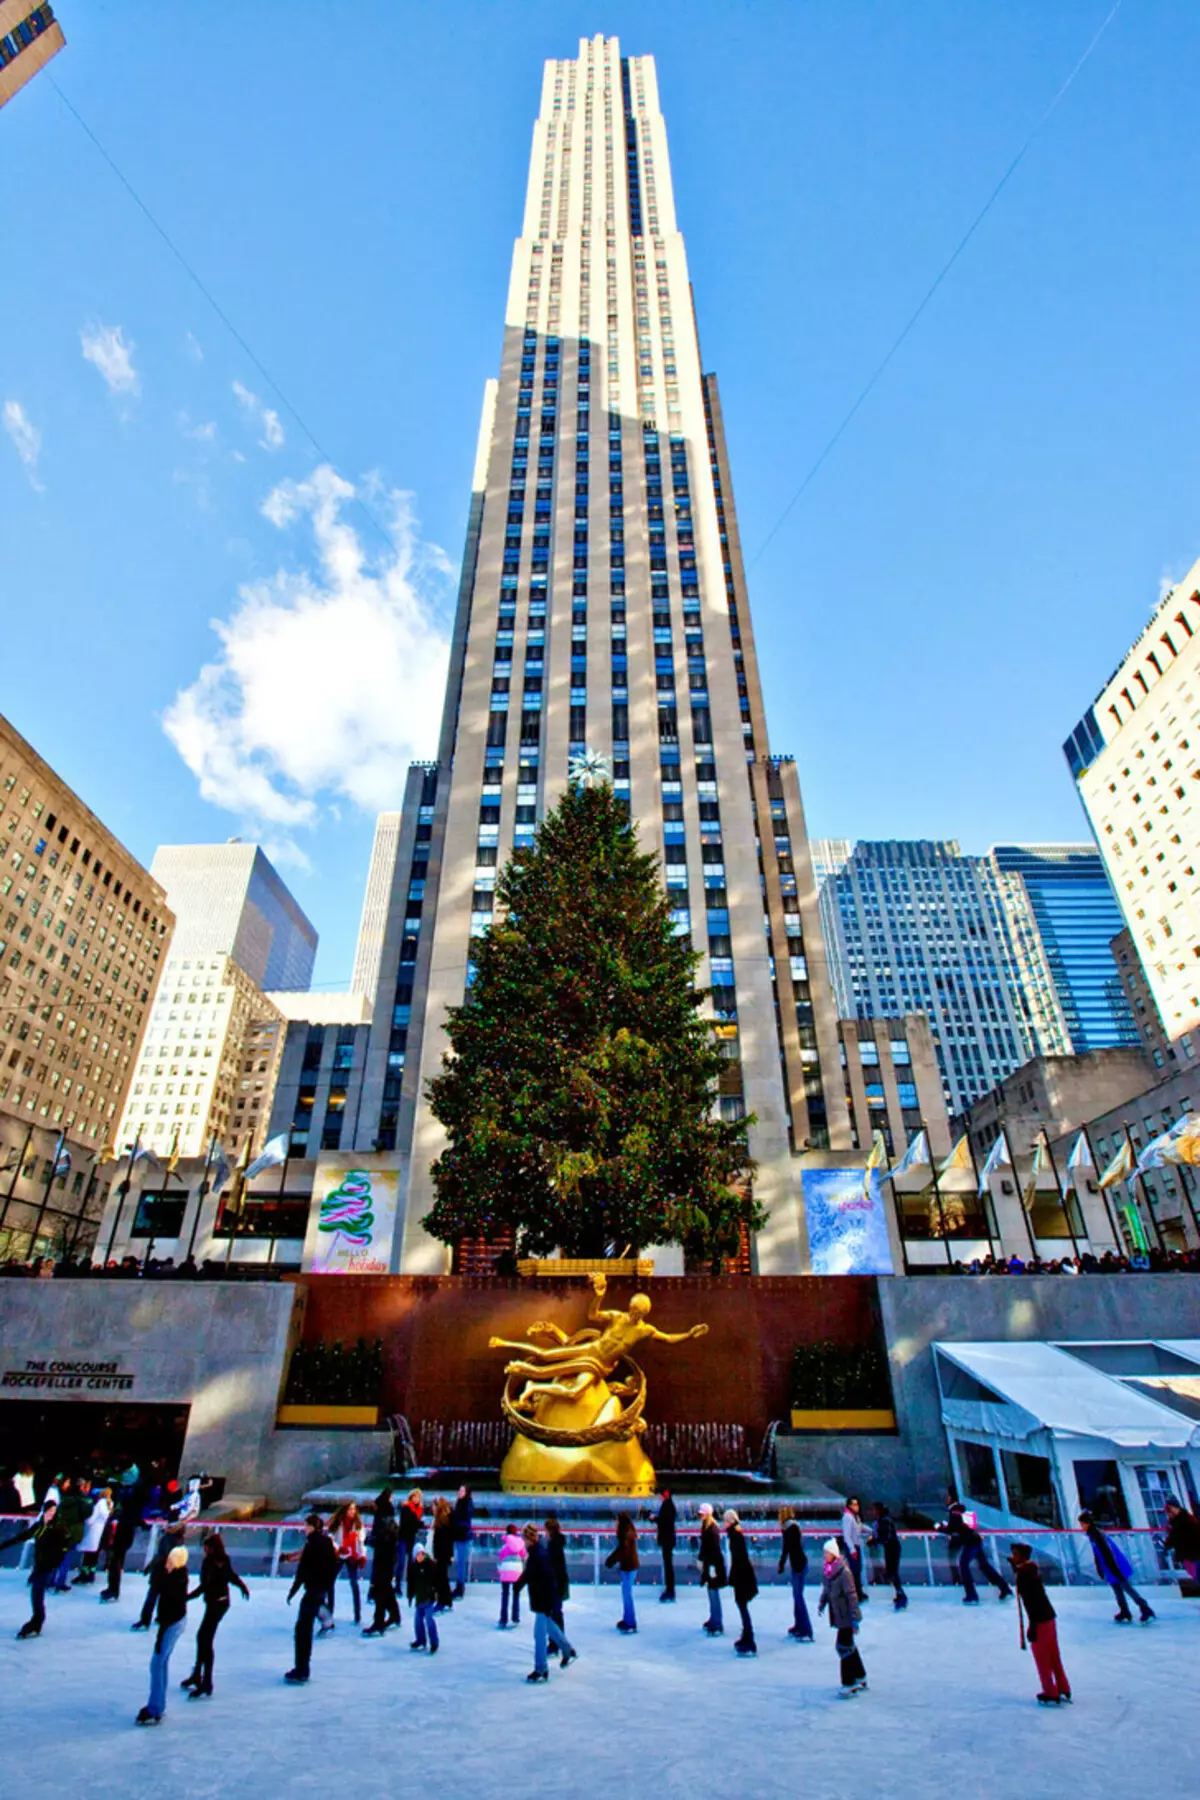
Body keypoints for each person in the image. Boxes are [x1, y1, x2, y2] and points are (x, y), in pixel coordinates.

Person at [182, 1531, 249, 1698]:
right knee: (203, 1638)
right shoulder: (223, 1560)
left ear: (211, 1548)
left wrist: (185, 1598)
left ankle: (206, 1682)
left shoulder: (210, 1563)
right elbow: (231, 1576)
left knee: (205, 1639)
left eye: (206, 1546)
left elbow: (205, 1585)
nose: (204, 1549)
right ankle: (198, 1674)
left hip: (216, 1604)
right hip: (221, 1602)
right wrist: (242, 1586)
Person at [1009, 1543, 1071, 1705]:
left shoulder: (1025, 1573)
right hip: (1048, 1617)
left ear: (1023, 1556)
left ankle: (1051, 1692)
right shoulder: (1031, 1570)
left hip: (1039, 1620)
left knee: (1042, 1659)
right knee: (1054, 1656)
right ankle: (1063, 1687)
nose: (1013, 1557)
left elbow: (1029, 1597)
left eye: (1015, 1554)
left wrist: (1033, 1626)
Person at [516, 1523, 577, 1683]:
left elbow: (546, 1579)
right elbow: (529, 1574)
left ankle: (541, 1669)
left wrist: (550, 1602)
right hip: (543, 1600)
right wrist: (518, 1586)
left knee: (539, 1635)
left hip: (544, 1600)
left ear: (528, 1539)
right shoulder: (537, 1553)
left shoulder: (539, 1555)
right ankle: (567, 1650)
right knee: (550, 1628)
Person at [136, 1543, 189, 1724]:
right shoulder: (177, 1576)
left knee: (157, 1663)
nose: (167, 1563)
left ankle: (155, 1708)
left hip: (172, 1624)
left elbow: (168, 1611)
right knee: (161, 1662)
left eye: (169, 1561)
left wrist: (159, 1638)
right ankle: (158, 1705)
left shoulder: (174, 1581)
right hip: (175, 1622)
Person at [285, 1513, 339, 1684]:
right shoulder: (327, 1542)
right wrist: (327, 1585)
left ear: (311, 1527)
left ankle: (302, 1668)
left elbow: (302, 1571)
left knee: (302, 1629)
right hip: (321, 1589)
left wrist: (293, 1591)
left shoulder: (311, 1544)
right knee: (304, 1627)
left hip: (313, 1590)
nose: (303, 1529)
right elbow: (333, 1566)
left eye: (305, 1526)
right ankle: (303, 1667)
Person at [4, 1498, 68, 1638]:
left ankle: (36, 1621)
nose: (51, 1514)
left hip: (47, 1565)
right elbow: (23, 1536)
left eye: (54, 1512)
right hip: (39, 1563)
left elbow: (63, 1547)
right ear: (44, 1512)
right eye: (49, 1511)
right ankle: (37, 1620)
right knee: (36, 1592)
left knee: (37, 1591)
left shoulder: (58, 1528)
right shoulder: (40, 1526)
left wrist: (55, 1562)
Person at [1078, 1510, 1155, 1623]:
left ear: (1087, 1523)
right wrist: (1100, 1567)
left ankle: (1145, 1608)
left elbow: (1108, 1553)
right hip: (1109, 1566)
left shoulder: (1097, 1535)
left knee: (1126, 1587)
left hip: (1115, 1565)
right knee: (1117, 1589)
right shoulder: (1093, 1535)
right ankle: (1124, 1611)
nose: (1081, 1527)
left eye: (1082, 1524)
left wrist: (1115, 1570)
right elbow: (1098, 1553)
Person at [818, 1538, 867, 1696]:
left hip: (846, 1616)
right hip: (838, 1615)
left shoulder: (844, 1572)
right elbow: (826, 1591)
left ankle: (849, 1682)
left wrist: (855, 1620)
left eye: (827, 1553)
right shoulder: (829, 1571)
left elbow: (852, 1596)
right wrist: (821, 1604)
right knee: (848, 1645)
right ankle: (859, 1675)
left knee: (843, 1646)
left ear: (833, 1554)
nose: (825, 1556)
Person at [940, 1499, 1012, 1604]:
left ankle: (972, 1595)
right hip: (975, 1540)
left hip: (970, 1543)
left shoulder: (954, 1512)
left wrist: (939, 1528)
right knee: (984, 1566)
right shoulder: (962, 1510)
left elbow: (952, 1528)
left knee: (964, 1567)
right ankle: (1005, 1589)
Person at [101, 1471, 148, 1602]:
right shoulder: (130, 1508)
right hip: (123, 1535)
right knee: (115, 1562)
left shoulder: (130, 1508)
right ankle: (112, 1588)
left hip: (122, 1536)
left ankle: (113, 1589)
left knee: (115, 1562)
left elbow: (133, 1517)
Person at [133, 1522, 186, 1630]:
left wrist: (150, 1567)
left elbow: (161, 1556)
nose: (165, 1527)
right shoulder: (179, 1540)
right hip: (171, 1573)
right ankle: (162, 1617)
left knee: (152, 1595)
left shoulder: (167, 1539)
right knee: (164, 1596)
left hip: (161, 1572)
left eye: (169, 1526)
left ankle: (145, 1620)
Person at [363, 1499, 400, 1636]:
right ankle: (395, 1615)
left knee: (380, 1592)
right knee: (387, 1589)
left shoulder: (383, 1521)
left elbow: (382, 1541)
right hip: (387, 1561)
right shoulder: (388, 1521)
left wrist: (368, 1540)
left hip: (384, 1561)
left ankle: (378, 1622)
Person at [724, 1510, 758, 1656]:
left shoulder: (735, 1535)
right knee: (741, 1606)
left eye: (725, 1521)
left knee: (742, 1606)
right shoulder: (735, 1534)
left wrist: (734, 1577)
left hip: (742, 1577)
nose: (723, 1524)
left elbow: (739, 1559)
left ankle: (749, 1640)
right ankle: (746, 1636)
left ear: (731, 1521)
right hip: (742, 1576)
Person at [777, 1506, 812, 1640]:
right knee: (797, 1596)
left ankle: (806, 1630)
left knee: (798, 1597)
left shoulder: (790, 1529)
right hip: (797, 1564)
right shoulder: (791, 1528)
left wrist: (781, 1563)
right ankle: (799, 1625)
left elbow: (787, 1547)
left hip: (799, 1565)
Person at [329, 1501, 366, 1626]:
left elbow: (361, 1542)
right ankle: (329, 1612)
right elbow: (331, 1537)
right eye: (350, 1509)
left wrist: (362, 1556)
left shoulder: (358, 1525)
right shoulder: (338, 1523)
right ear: (345, 1510)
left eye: (354, 1509)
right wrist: (338, 1548)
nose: (352, 1511)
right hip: (339, 1555)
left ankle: (357, 1615)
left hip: (352, 1556)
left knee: (354, 1583)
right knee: (330, 1582)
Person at [606, 1512, 639, 1633]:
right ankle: (628, 1619)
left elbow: (622, 1550)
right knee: (626, 1594)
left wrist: (611, 1560)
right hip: (630, 1566)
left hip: (629, 1567)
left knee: (627, 1595)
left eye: (617, 1521)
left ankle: (630, 1622)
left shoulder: (624, 1534)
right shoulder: (629, 1532)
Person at [870, 1501, 907, 1610]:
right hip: (890, 1548)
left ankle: (901, 1595)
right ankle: (899, 1594)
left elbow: (885, 1537)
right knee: (891, 1572)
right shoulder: (882, 1520)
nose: (872, 1512)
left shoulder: (884, 1520)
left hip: (893, 1549)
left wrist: (874, 1541)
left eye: (873, 1509)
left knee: (892, 1572)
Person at [73, 1485, 113, 1585]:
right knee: (94, 1555)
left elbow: (91, 1519)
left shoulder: (99, 1504)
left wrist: (85, 1521)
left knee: (88, 1554)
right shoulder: (110, 1504)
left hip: (94, 1531)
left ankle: (84, 1574)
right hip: (102, 1531)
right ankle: (91, 1573)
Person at [698, 1502, 726, 1636]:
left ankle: (717, 1623)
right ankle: (713, 1618)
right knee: (711, 1591)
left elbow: (714, 1549)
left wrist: (713, 1567)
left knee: (713, 1592)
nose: (700, 1516)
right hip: (710, 1564)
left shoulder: (712, 1529)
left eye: (701, 1514)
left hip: (714, 1565)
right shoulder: (706, 1526)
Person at [408, 1540, 440, 1654]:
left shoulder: (430, 1565)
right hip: (419, 1598)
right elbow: (411, 1582)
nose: (419, 1556)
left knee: (429, 1620)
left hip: (429, 1597)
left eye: (421, 1554)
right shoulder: (413, 1567)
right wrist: (410, 1595)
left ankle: (434, 1642)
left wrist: (435, 1592)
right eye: (417, 1555)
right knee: (417, 1621)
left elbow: (436, 1580)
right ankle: (421, 1640)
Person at [544, 1514, 570, 1649]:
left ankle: (556, 1643)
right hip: (558, 1582)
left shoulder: (553, 1546)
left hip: (555, 1584)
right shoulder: (556, 1544)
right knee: (556, 1613)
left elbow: (552, 1566)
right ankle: (558, 1642)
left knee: (554, 1614)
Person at [1162, 1498, 1200, 1584]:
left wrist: (1167, 1544)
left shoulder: (1185, 1520)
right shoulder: (1177, 1521)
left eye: (1169, 1510)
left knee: (1196, 1574)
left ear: (1176, 1508)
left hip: (1193, 1552)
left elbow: (1176, 1536)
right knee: (1195, 1574)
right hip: (1189, 1553)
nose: (1168, 1513)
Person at [497, 1521, 526, 1628]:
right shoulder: (520, 1544)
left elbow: (500, 1557)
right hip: (517, 1571)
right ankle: (515, 1617)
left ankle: (503, 1619)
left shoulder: (505, 1546)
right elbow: (524, 1556)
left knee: (505, 1594)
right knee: (516, 1594)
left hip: (505, 1570)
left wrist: (499, 1570)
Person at [396, 1488, 423, 1597]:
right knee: (401, 1563)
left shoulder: (419, 1510)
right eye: (415, 1497)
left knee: (411, 1564)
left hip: (412, 1539)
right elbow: (410, 1523)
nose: (416, 1499)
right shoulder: (406, 1508)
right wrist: (418, 1523)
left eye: (418, 1497)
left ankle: (411, 1587)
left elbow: (416, 1524)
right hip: (403, 1538)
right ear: (411, 1498)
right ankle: (398, 1586)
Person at [839, 1496, 867, 1603]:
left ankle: (859, 1591)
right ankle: (854, 1594)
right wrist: (852, 1549)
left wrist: (872, 1531)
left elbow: (861, 1527)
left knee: (858, 1570)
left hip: (857, 1546)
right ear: (849, 1506)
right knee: (854, 1571)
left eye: (857, 1504)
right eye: (854, 1504)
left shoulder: (855, 1517)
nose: (857, 1507)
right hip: (852, 1547)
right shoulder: (847, 1517)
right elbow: (846, 1535)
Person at [431, 1496, 455, 1612]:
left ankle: (443, 1601)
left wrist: (449, 1555)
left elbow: (447, 1540)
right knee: (441, 1578)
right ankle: (446, 1600)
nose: (432, 1508)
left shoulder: (444, 1521)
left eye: (434, 1506)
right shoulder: (439, 1520)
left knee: (441, 1579)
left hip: (442, 1554)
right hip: (440, 1554)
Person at [451, 1484, 474, 1599]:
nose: (459, 1492)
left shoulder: (467, 1505)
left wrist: (456, 1525)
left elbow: (465, 1522)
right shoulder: (459, 1503)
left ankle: (460, 1588)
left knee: (461, 1564)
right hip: (459, 1536)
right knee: (459, 1563)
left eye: (462, 1491)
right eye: (459, 1490)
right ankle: (459, 1586)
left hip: (463, 1537)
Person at [655, 1488, 677, 1602]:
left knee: (668, 1566)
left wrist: (655, 1519)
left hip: (667, 1540)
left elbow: (665, 1521)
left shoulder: (668, 1506)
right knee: (668, 1565)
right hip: (667, 1539)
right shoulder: (668, 1505)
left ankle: (670, 1590)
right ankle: (669, 1589)